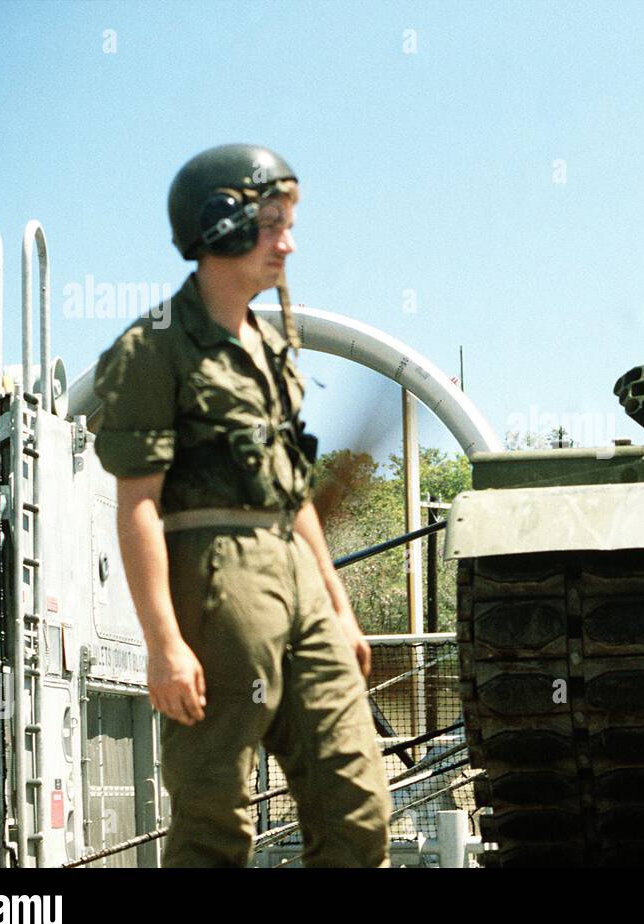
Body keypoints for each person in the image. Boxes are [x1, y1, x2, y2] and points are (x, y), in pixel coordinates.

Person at [91, 144, 391, 867]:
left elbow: (296, 494)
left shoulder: (272, 346)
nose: (287, 241)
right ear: (220, 224)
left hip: (297, 575)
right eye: (272, 222)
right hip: (216, 581)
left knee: (358, 806)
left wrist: (338, 606)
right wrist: (164, 646)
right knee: (214, 818)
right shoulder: (152, 349)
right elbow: (138, 504)